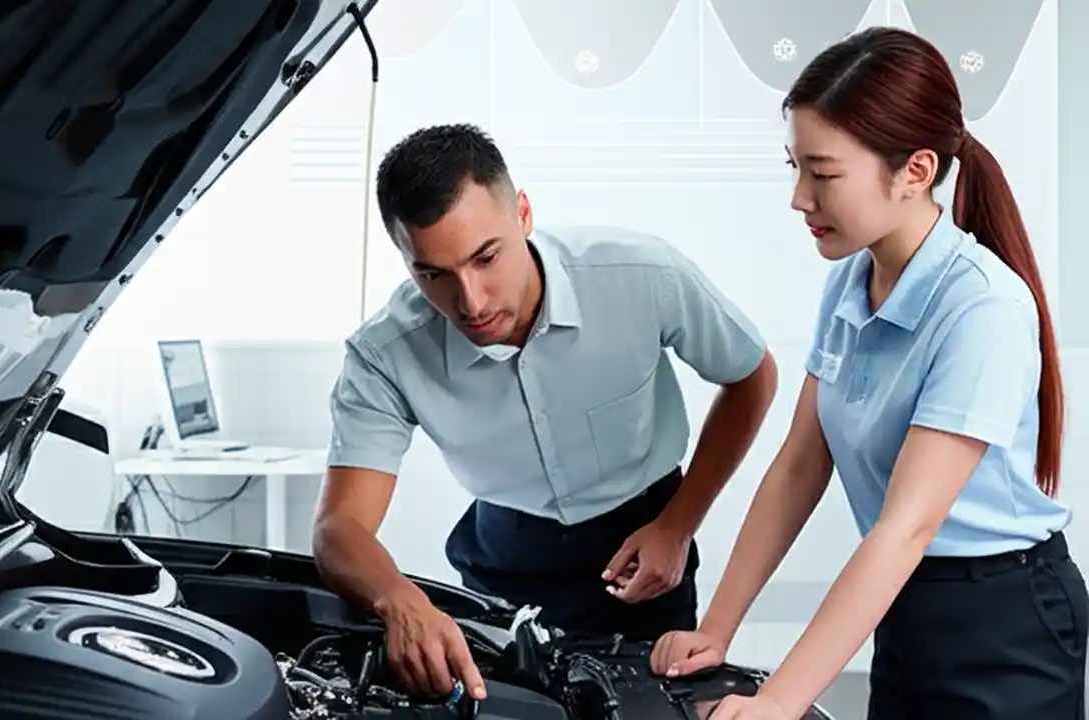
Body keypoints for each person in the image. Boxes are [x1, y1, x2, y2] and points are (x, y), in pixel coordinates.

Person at [651, 26, 1088, 719]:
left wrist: (779, 702)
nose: (799, 197)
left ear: (914, 171)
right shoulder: (853, 279)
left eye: (822, 174)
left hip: (1004, 622)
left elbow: (905, 529)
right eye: (794, 167)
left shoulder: (984, 307)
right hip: (905, 603)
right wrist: (717, 631)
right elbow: (801, 462)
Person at [312, 123, 779, 701]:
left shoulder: (640, 275)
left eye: (486, 258)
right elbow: (341, 526)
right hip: (503, 557)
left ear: (524, 214)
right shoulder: (384, 352)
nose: (471, 301)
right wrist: (400, 599)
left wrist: (679, 525)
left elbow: (751, 375)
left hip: (645, 541)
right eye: (433, 275)